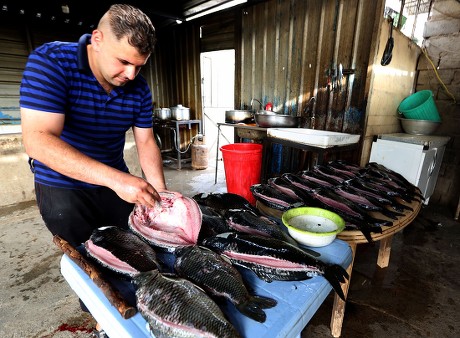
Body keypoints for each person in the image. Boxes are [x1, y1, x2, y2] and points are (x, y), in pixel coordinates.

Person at [20, 4, 165, 336]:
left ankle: (141, 308)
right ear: (97, 40)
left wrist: (161, 194)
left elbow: (145, 142)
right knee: (90, 263)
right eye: (123, 61)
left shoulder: (138, 88)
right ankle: (104, 320)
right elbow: (38, 140)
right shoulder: (52, 62)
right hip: (61, 186)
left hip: (113, 181)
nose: (131, 75)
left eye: (139, 66)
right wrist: (118, 180)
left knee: (133, 250)